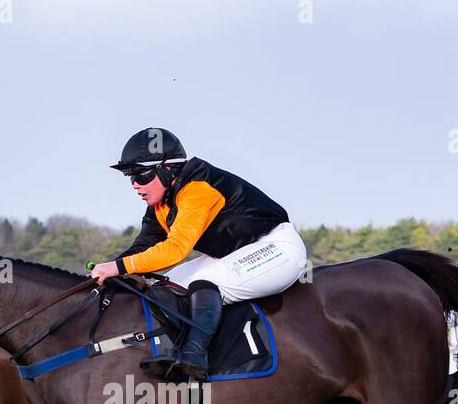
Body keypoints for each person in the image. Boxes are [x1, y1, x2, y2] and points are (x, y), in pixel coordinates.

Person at [90, 128, 308, 379]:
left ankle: (194, 356)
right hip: (236, 253)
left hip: (278, 248)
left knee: (205, 284)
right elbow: (144, 248)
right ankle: (176, 347)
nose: (135, 185)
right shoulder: (161, 203)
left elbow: (175, 250)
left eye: (141, 175)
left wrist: (118, 267)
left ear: (167, 169)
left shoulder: (197, 190)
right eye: (130, 177)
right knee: (163, 285)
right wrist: (116, 270)